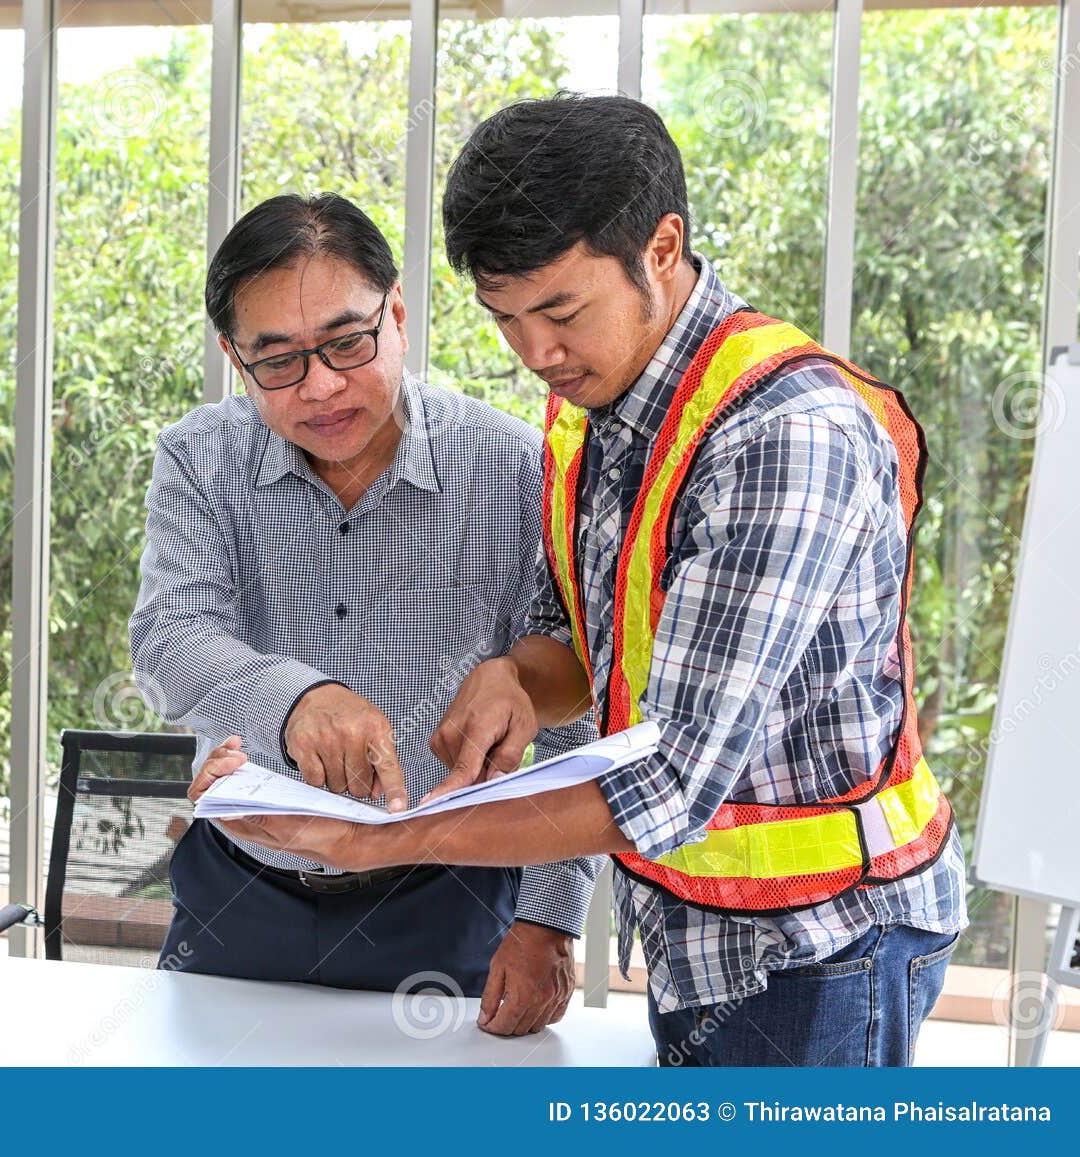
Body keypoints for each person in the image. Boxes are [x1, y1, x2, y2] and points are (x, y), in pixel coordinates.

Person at [195, 96, 966, 1067]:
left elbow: (670, 781)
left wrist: (378, 841)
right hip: (703, 933)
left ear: (660, 246)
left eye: (560, 312)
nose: (536, 354)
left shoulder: (780, 436)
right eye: (505, 320)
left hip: (819, 946)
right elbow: (583, 625)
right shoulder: (594, 401)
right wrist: (519, 675)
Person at [129, 192, 602, 1035]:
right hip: (240, 886)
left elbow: (569, 698)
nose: (321, 386)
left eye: (348, 342)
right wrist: (297, 697)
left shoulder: (515, 465)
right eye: (278, 360)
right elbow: (171, 639)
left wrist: (551, 915)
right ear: (237, 361)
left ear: (398, 316)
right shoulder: (198, 458)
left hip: (448, 893)